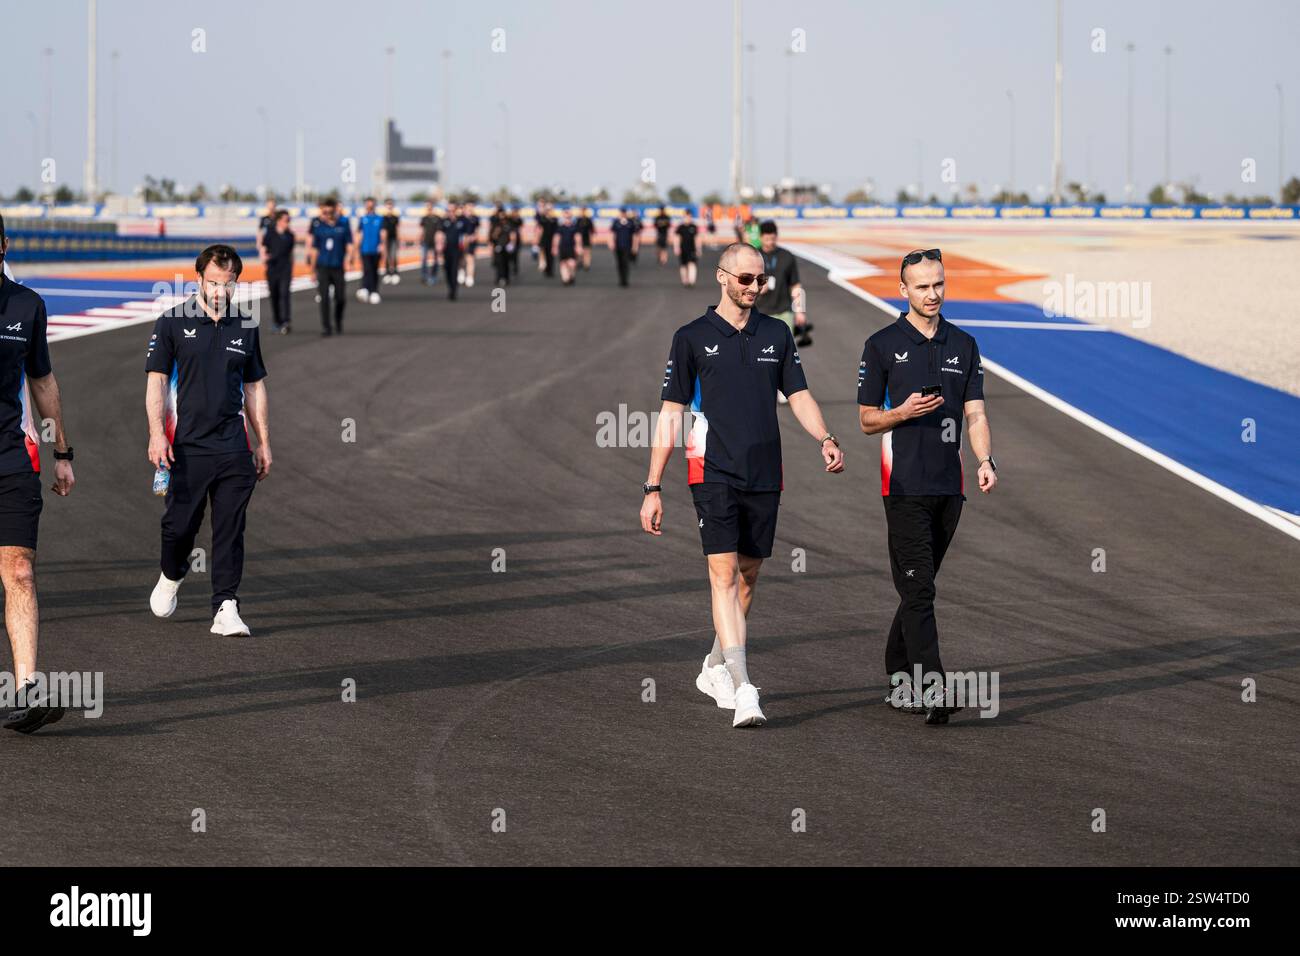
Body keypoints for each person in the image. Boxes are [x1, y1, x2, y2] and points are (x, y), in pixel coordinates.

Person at [639, 242, 845, 729]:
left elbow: (798, 394)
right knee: (723, 575)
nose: (755, 287)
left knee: (749, 576)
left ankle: (714, 666)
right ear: (722, 277)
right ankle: (744, 685)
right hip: (710, 467)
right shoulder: (690, 337)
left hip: (765, 470)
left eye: (761, 280)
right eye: (746, 279)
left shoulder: (776, 333)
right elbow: (670, 414)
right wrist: (652, 486)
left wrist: (826, 437)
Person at [857, 248, 996, 725]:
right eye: (922, 286)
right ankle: (932, 690)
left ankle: (898, 681)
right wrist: (902, 412)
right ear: (903, 290)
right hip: (903, 487)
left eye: (938, 284)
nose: (932, 294)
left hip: (949, 487)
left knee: (918, 586)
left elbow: (975, 411)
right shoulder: (880, 345)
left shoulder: (964, 344)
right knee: (919, 593)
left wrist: (984, 460)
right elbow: (866, 421)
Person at [146, 244, 271, 638]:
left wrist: (263, 441)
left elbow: (254, 386)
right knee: (179, 528)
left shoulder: (246, 325)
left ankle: (226, 606)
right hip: (185, 446)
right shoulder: (171, 323)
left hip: (233, 445)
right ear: (198, 278)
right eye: (213, 282)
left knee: (230, 528)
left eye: (228, 283)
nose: (220, 291)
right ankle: (172, 572)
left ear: (237, 282)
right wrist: (155, 434)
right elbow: (157, 382)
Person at [0, 214, 77, 734]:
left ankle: (27, 691)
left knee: (20, 571)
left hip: (9, 457)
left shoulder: (27, 305)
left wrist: (62, 451)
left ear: (2, 245)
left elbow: (42, 380)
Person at [754, 221, 812, 349]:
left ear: (776, 236)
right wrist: (757, 288)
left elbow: (795, 285)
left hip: (784, 312)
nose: (769, 242)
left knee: (786, 351)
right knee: (760, 351)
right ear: (760, 237)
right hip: (759, 312)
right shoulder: (754, 257)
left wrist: (799, 311)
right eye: (766, 239)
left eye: (772, 238)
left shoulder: (787, 256)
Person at [304, 198, 351, 335]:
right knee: (324, 297)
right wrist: (312, 269)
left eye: (331, 210)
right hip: (323, 266)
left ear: (335, 209)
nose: (329, 213)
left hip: (338, 266)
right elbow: (314, 249)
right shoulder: (319, 227)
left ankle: (338, 320)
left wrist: (349, 259)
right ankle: (326, 326)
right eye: (326, 210)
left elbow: (349, 243)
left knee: (341, 298)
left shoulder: (344, 224)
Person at [261, 209, 295, 334]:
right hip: (272, 268)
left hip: (285, 268)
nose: (288, 223)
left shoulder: (290, 236)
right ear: (279, 221)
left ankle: (286, 321)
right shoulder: (270, 234)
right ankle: (277, 320)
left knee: (284, 294)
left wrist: (292, 266)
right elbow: (264, 247)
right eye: (286, 220)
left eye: (289, 220)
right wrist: (264, 260)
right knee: (274, 295)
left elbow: (291, 253)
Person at [355, 197, 385, 305]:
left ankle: (374, 291)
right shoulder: (363, 219)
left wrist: (382, 245)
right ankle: (365, 288)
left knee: (374, 270)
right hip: (365, 249)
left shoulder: (380, 219)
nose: (369, 207)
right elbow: (359, 234)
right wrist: (356, 247)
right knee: (366, 269)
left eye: (371, 205)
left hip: (376, 249)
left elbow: (383, 233)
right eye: (368, 205)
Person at [437, 201, 466, 301]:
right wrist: (439, 245)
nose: (451, 212)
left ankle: (454, 291)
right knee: (447, 269)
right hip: (446, 249)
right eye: (448, 210)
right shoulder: (444, 220)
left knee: (454, 270)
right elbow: (440, 233)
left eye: (452, 210)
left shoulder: (461, 221)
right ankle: (450, 287)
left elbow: (465, 235)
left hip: (457, 249)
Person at [553, 208, 583, 285]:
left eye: (568, 216)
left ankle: (571, 275)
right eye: (565, 216)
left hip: (571, 247)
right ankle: (565, 279)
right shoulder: (560, 227)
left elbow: (578, 237)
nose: (567, 218)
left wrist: (578, 246)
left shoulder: (575, 227)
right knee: (563, 263)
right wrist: (555, 247)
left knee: (572, 263)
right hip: (562, 247)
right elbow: (556, 237)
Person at [608, 208, 637, 288]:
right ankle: (621, 279)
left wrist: (635, 246)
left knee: (625, 263)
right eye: (622, 213)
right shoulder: (616, 222)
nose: (623, 214)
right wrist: (611, 243)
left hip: (627, 246)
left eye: (624, 213)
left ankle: (625, 280)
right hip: (618, 246)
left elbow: (634, 235)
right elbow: (612, 233)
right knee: (619, 263)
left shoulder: (630, 223)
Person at [674, 209, 701, 287]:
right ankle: (685, 280)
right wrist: (676, 248)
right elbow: (677, 238)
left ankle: (691, 281)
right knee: (683, 265)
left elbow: (697, 238)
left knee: (692, 264)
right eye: (686, 217)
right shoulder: (680, 227)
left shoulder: (694, 226)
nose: (688, 218)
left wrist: (698, 249)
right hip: (683, 249)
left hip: (692, 249)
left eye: (689, 217)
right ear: (684, 217)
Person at [419, 201, 442, 286]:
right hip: (426, 241)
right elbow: (422, 230)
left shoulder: (438, 218)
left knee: (435, 260)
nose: (428, 208)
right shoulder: (424, 218)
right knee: (424, 259)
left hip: (435, 242)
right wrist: (420, 239)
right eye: (427, 206)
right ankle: (424, 276)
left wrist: (439, 242)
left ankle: (433, 276)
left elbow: (439, 231)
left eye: (430, 206)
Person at [489, 205, 512, 286]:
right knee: (499, 263)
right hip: (498, 246)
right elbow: (492, 236)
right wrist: (496, 232)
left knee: (506, 263)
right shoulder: (496, 224)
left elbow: (512, 234)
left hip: (507, 246)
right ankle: (499, 278)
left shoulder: (508, 223)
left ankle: (506, 278)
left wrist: (511, 244)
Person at [381, 197, 401, 285]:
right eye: (388, 204)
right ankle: (387, 272)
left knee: (393, 255)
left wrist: (399, 238)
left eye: (391, 204)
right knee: (386, 255)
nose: (389, 206)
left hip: (393, 238)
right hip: (386, 239)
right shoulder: (383, 218)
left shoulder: (395, 217)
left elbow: (397, 229)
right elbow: (381, 230)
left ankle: (395, 272)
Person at [536, 200, 558, 278]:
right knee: (544, 254)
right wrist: (537, 239)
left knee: (551, 255)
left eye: (550, 209)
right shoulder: (542, 219)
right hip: (543, 239)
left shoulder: (554, 219)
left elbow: (556, 232)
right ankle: (545, 267)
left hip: (551, 239)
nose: (549, 211)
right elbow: (539, 229)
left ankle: (550, 270)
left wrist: (555, 243)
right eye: (547, 209)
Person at [460, 204, 481, 288]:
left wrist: (474, 236)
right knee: (461, 258)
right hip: (461, 241)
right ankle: (461, 271)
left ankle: (470, 277)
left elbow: (477, 230)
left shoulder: (475, 218)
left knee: (470, 259)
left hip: (471, 241)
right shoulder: (461, 218)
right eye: (468, 208)